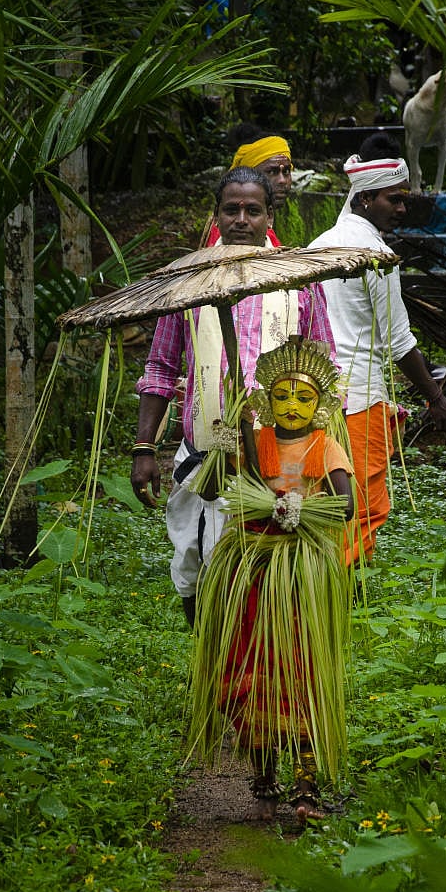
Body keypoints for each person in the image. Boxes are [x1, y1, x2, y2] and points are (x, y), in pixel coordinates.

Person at [131, 167, 336, 626]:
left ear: (269, 216)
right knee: (194, 565)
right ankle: (209, 651)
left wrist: (318, 453)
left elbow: (325, 368)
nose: (241, 220)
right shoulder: (186, 283)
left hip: (276, 459)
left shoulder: (299, 281)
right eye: (232, 209)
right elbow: (160, 369)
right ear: (217, 215)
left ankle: (258, 660)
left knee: (268, 574)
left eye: (253, 210)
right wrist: (144, 448)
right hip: (203, 456)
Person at [186, 335, 354, 824]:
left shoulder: (326, 446)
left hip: (300, 576)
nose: (293, 406)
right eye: (282, 396)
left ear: (321, 405)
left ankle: (306, 786)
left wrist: (299, 510)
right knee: (252, 669)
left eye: (304, 398)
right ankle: (263, 777)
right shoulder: (252, 443)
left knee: (301, 672)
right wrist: (221, 448)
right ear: (266, 401)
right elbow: (212, 491)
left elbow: (345, 507)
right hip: (251, 572)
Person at [308, 142, 446, 564]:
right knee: (363, 507)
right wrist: (435, 397)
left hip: (315, 399)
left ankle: (322, 582)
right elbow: (398, 341)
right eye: (394, 199)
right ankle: (347, 589)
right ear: (365, 199)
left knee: (325, 500)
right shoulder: (376, 254)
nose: (402, 209)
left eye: (404, 199)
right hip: (360, 399)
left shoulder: (319, 244)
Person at [202, 125, 293, 247]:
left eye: (286, 171)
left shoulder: (264, 233)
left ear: (269, 216)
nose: (282, 181)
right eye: (272, 172)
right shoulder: (229, 235)